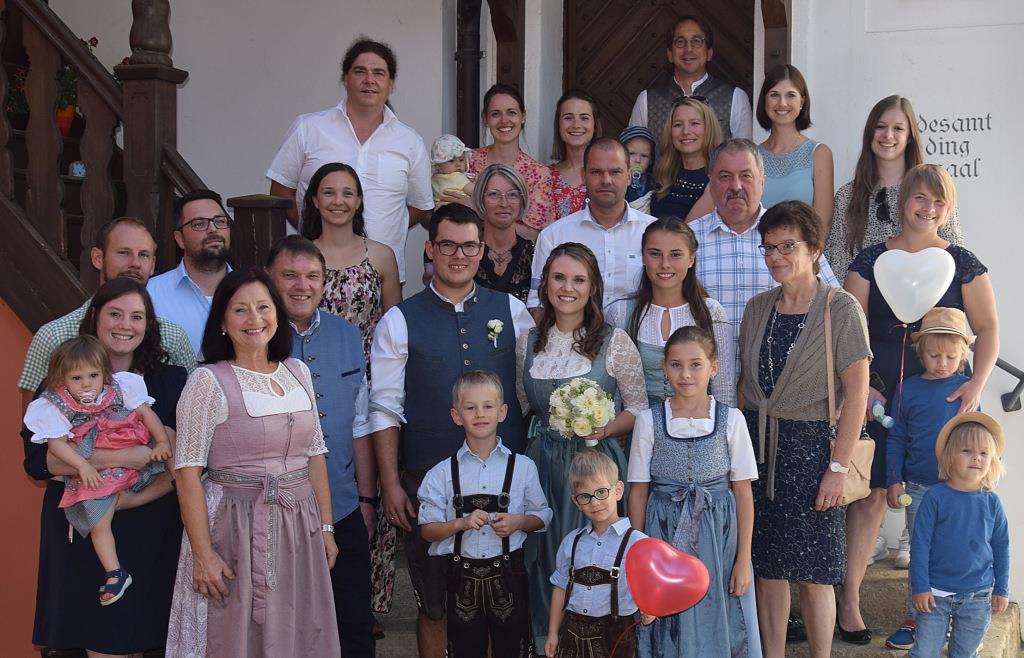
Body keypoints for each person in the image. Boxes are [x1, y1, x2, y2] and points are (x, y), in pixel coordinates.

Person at [841, 163, 998, 645]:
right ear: (903, 202)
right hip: (879, 395)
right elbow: (849, 331)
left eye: (938, 202)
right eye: (919, 198)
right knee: (868, 496)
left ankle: (950, 607)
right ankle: (848, 600)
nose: (928, 209)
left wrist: (975, 387)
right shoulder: (867, 261)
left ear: (947, 209)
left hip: (941, 401)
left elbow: (988, 329)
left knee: (949, 498)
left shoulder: (964, 263)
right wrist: (863, 387)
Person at [370, 203, 534, 658]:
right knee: (436, 605)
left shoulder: (514, 312)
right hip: (428, 483)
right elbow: (385, 408)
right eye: (447, 244)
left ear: (482, 250)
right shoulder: (399, 319)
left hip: (505, 486)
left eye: (468, 245)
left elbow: (527, 395)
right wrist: (389, 483)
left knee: (501, 604)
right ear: (430, 249)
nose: (458, 255)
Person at [166, 268, 340, 656]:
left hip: (300, 526)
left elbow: (315, 456)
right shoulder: (207, 381)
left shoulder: (298, 371)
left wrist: (326, 528)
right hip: (233, 525)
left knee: (300, 628)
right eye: (240, 310)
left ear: (277, 314)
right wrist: (203, 553)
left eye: (263, 307)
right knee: (233, 633)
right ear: (223, 322)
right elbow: (187, 472)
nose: (254, 318)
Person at [23, 277, 188, 656]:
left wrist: (124, 501)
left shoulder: (168, 382)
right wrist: (122, 458)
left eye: (136, 317)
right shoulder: (59, 389)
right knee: (101, 642)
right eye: (115, 314)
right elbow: (39, 462)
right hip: (83, 536)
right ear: (95, 318)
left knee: (142, 642)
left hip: (151, 531)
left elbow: (181, 464)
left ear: (149, 326)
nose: (125, 325)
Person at [738, 200, 871, 658]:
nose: (775, 256)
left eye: (786, 246)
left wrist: (837, 467)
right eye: (768, 247)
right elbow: (744, 386)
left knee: (815, 572)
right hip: (758, 451)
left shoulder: (841, 308)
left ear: (814, 249)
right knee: (768, 567)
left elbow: (857, 394)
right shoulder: (757, 308)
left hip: (814, 452)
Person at [517, 242, 648, 653]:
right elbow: (525, 406)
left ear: (593, 288)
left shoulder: (615, 340)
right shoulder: (526, 342)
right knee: (545, 560)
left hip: (595, 468)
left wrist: (602, 427)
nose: (567, 287)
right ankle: (547, 643)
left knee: (596, 562)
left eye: (578, 279)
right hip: (542, 466)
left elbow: (639, 409)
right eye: (559, 277)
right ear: (546, 284)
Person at [265, 236, 377, 656]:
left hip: (344, 507)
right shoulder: (254, 338)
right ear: (270, 280)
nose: (301, 285)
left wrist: (367, 498)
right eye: (289, 275)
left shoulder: (348, 334)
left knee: (354, 624)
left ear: (324, 282)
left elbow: (361, 422)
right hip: (278, 509)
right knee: (287, 627)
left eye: (312, 276)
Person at [628, 326, 760, 657]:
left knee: (720, 610)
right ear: (664, 368)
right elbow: (638, 492)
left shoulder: (732, 420)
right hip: (664, 535)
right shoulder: (648, 421)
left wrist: (743, 559)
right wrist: (640, 555)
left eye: (695, 364)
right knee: (668, 618)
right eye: (675, 365)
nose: (685, 374)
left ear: (714, 367)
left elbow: (743, 494)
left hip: (719, 537)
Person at [267, 37, 433, 282]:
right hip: (313, 272)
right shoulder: (309, 128)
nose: (369, 80)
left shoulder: (410, 141)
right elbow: (280, 192)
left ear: (391, 84)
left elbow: (420, 205)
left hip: (382, 275)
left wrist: (388, 228)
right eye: (360, 72)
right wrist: (311, 228)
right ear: (345, 79)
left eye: (379, 73)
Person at [25, 335, 172, 605]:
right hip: (102, 471)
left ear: (104, 372)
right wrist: (82, 465)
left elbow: (147, 415)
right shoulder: (56, 405)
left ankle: (188, 478)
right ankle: (115, 571)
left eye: (93, 375)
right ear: (61, 379)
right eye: (76, 378)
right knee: (98, 520)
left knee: (170, 458)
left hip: (136, 449)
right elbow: (56, 444)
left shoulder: (121, 387)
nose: (86, 384)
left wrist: (161, 440)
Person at [418, 371, 552, 658]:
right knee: (465, 649)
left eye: (488, 406)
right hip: (460, 578)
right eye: (470, 408)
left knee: (511, 648)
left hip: (509, 574)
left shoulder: (523, 467)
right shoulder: (441, 473)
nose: (480, 414)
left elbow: (542, 517)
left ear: (502, 412)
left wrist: (518, 522)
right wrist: (460, 523)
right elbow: (427, 530)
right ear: (457, 416)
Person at [19, 216, 195, 410]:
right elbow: (34, 426)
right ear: (98, 258)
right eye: (123, 253)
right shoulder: (53, 337)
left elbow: (192, 412)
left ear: (152, 265)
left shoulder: (173, 337)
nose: (135, 263)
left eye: (144, 255)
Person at [883, 307, 976, 651]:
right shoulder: (908, 389)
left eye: (951, 356)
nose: (942, 362)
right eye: (934, 355)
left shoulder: (968, 390)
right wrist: (894, 479)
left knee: (954, 551)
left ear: (963, 355)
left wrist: (981, 481)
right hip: (919, 487)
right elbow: (896, 437)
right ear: (920, 352)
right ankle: (915, 618)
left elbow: (979, 440)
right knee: (922, 551)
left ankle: (955, 618)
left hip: (961, 491)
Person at [690, 139, 839, 340]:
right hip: (704, 370)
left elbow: (834, 303)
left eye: (746, 176)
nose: (736, 186)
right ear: (711, 182)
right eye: (725, 176)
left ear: (762, 181)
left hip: (780, 369)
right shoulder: (687, 241)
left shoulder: (794, 237)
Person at [825, 95, 964, 282]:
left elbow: (953, 255)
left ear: (909, 138)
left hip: (926, 302)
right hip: (861, 307)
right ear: (869, 133)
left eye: (898, 128)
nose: (888, 135)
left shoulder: (934, 191)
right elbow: (837, 264)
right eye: (880, 127)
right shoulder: (847, 196)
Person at [909, 412, 1008, 658]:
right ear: (949, 457)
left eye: (984, 453)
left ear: (992, 460)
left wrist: (1002, 589)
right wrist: (920, 587)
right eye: (966, 451)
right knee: (924, 653)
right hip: (935, 595)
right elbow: (920, 545)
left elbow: (1001, 547)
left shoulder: (992, 502)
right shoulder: (935, 498)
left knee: (965, 654)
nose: (976, 457)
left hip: (978, 595)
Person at [606, 218, 735, 406]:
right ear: (643, 257)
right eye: (655, 254)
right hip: (637, 429)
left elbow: (724, 390)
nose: (665, 264)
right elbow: (614, 390)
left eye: (675, 254)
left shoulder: (711, 312)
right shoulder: (621, 311)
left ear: (691, 259)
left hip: (698, 429)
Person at [528, 138, 656, 312]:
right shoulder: (554, 236)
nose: (606, 180)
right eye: (596, 172)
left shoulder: (652, 232)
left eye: (615, 172)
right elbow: (538, 304)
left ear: (628, 176)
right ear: (583, 176)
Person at [546, 450, 647, 658]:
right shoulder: (572, 542)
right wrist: (552, 633)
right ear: (576, 502)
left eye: (601, 492)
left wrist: (651, 611)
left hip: (615, 638)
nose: (594, 502)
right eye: (585, 496)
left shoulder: (637, 543)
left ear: (618, 491)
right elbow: (560, 588)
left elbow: (652, 587)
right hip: (571, 636)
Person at [299, 162, 401, 363]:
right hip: (312, 370)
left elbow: (394, 329)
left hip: (369, 373)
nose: (338, 201)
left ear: (358, 201)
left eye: (347, 194)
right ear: (315, 200)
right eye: (329, 193)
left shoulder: (381, 256)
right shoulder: (300, 256)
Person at [629, 15, 752, 141]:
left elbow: (744, 156)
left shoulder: (735, 98)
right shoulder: (647, 100)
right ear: (670, 54)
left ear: (709, 53)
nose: (688, 49)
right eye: (680, 42)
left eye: (697, 41)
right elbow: (634, 156)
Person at [147, 190, 233, 355]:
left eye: (220, 221)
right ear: (179, 239)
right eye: (199, 224)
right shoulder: (151, 295)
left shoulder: (253, 291)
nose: (212, 229)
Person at [469, 83, 552, 238]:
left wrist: (476, 210)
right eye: (495, 114)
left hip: (518, 260)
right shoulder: (468, 161)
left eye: (511, 113)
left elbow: (532, 233)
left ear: (523, 116)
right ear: (486, 119)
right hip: (467, 255)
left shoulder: (538, 174)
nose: (504, 120)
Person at [755, 65, 834, 228]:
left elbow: (822, 225)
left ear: (802, 101)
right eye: (774, 95)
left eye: (791, 95)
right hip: (757, 251)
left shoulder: (819, 153)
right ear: (764, 100)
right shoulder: (752, 157)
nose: (782, 103)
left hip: (804, 252)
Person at [650, 97, 722, 222]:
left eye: (694, 123)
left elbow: (685, 236)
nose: (686, 131)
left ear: (709, 128)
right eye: (678, 124)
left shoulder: (719, 179)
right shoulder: (663, 176)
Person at [473, 164, 536, 302]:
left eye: (512, 194)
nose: (504, 203)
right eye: (494, 194)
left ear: (522, 200)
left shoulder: (535, 256)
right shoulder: (466, 252)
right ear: (481, 199)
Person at [548, 89, 600, 219]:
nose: (576, 125)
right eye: (568, 118)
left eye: (584, 118)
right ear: (558, 125)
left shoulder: (609, 175)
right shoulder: (545, 177)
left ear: (595, 125)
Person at [620, 125, 657, 213]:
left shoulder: (654, 183)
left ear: (651, 160)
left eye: (644, 156)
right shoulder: (614, 181)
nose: (638, 160)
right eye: (632, 154)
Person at [430, 133, 473, 206]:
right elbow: (477, 192)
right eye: (451, 161)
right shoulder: (457, 177)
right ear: (438, 166)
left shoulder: (433, 179)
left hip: (441, 214)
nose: (458, 164)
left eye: (461, 160)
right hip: (462, 211)